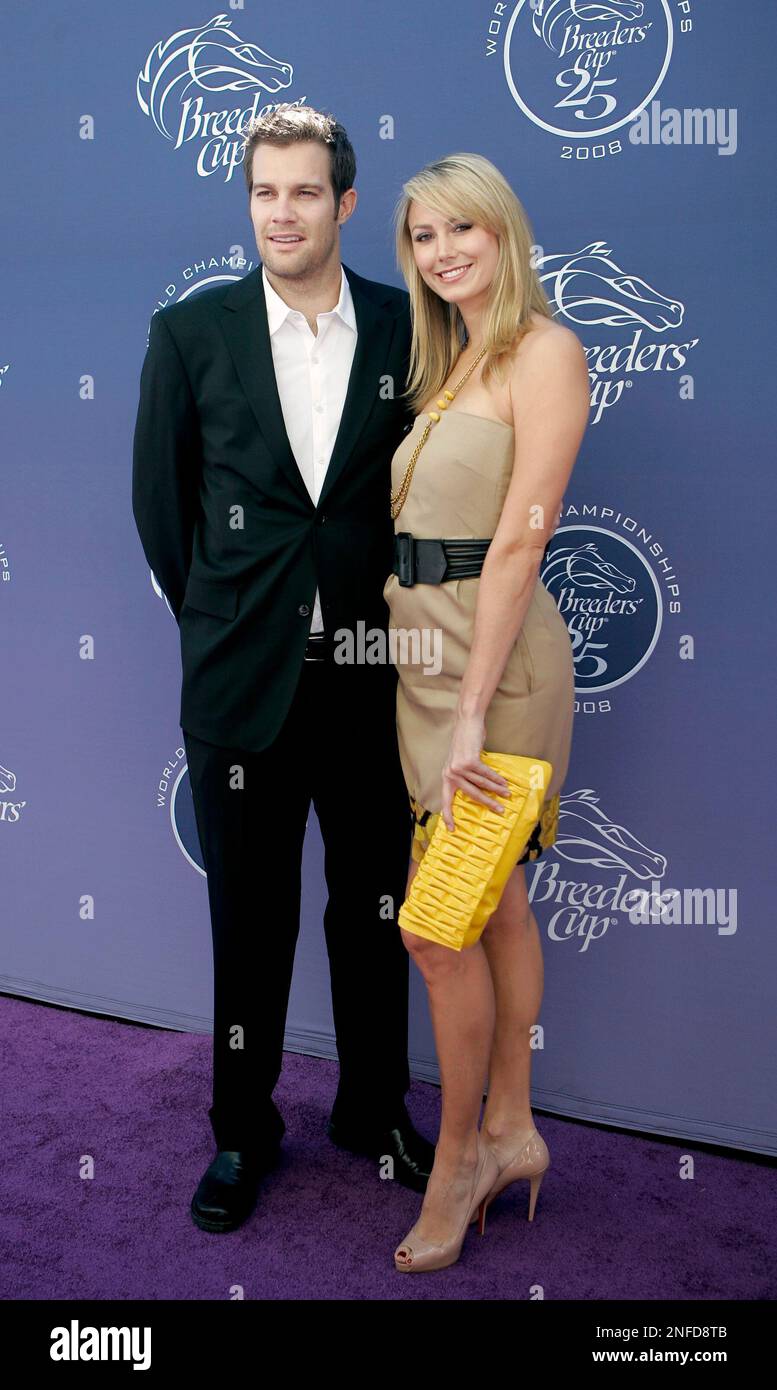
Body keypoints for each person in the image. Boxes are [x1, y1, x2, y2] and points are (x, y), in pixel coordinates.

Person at [131, 104, 435, 1235]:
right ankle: (241, 1128)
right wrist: (229, 624)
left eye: (306, 192)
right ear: (248, 200)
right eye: (265, 192)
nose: (283, 213)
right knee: (247, 924)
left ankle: (373, 1111)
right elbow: (164, 515)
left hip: (371, 675)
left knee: (373, 912)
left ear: (346, 204)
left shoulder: (415, 329)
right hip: (242, 688)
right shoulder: (191, 331)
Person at [383, 153, 590, 1272]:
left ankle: (463, 1156)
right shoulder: (455, 362)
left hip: (495, 677)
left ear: (504, 232)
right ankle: (511, 1128)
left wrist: (468, 715)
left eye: (464, 227)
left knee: (437, 925)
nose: (445, 250)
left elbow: (520, 537)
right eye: (423, 236)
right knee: (498, 907)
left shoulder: (546, 351)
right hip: (427, 665)